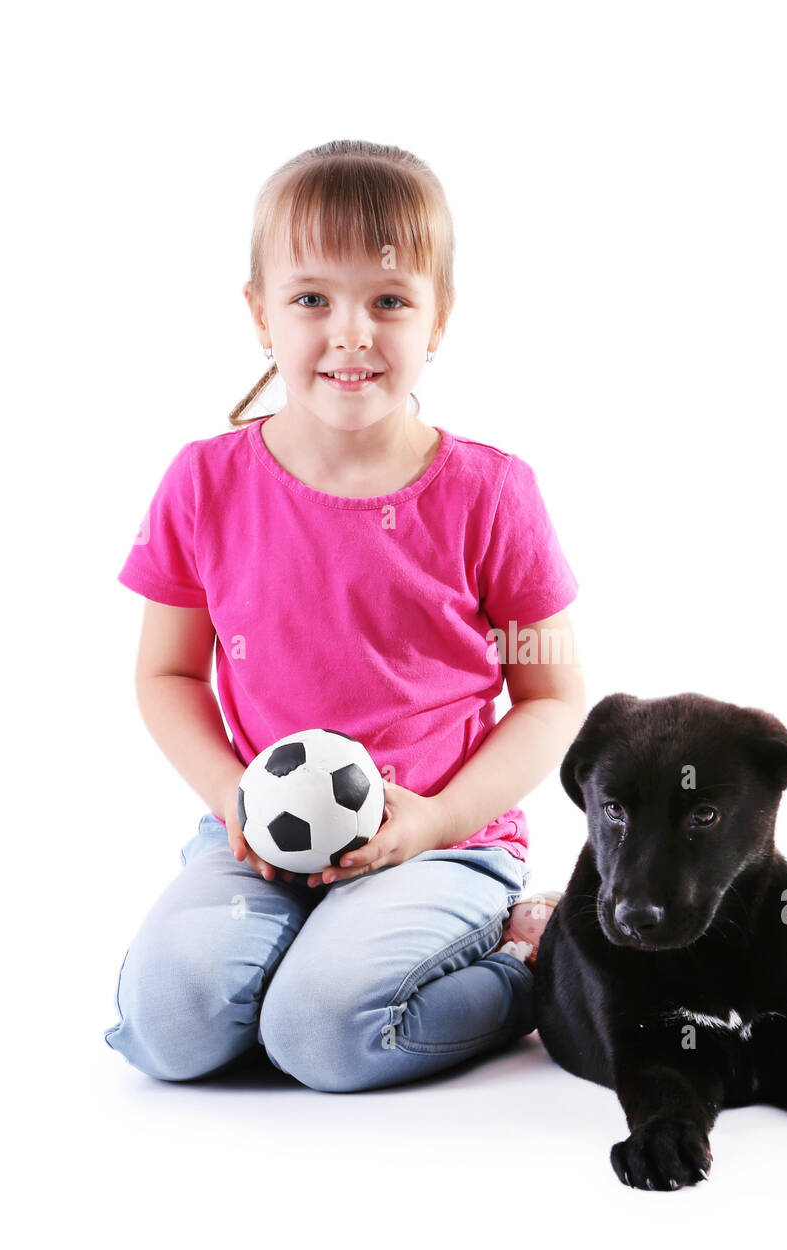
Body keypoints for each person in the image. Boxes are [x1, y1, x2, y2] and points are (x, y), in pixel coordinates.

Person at [103, 139, 585, 1092]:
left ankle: (533, 965)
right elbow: (165, 675)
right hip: (260, 841)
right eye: (312, 298)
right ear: (260, 314)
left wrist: (437, 816)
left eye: (391, 300)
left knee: (324, 1039)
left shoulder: (493, 493)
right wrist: (232, 798)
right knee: (168, 1031)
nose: (351, 333)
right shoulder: (204, 483)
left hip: (439, 839)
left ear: (439, 317)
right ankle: (300, 966)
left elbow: (552, 696)